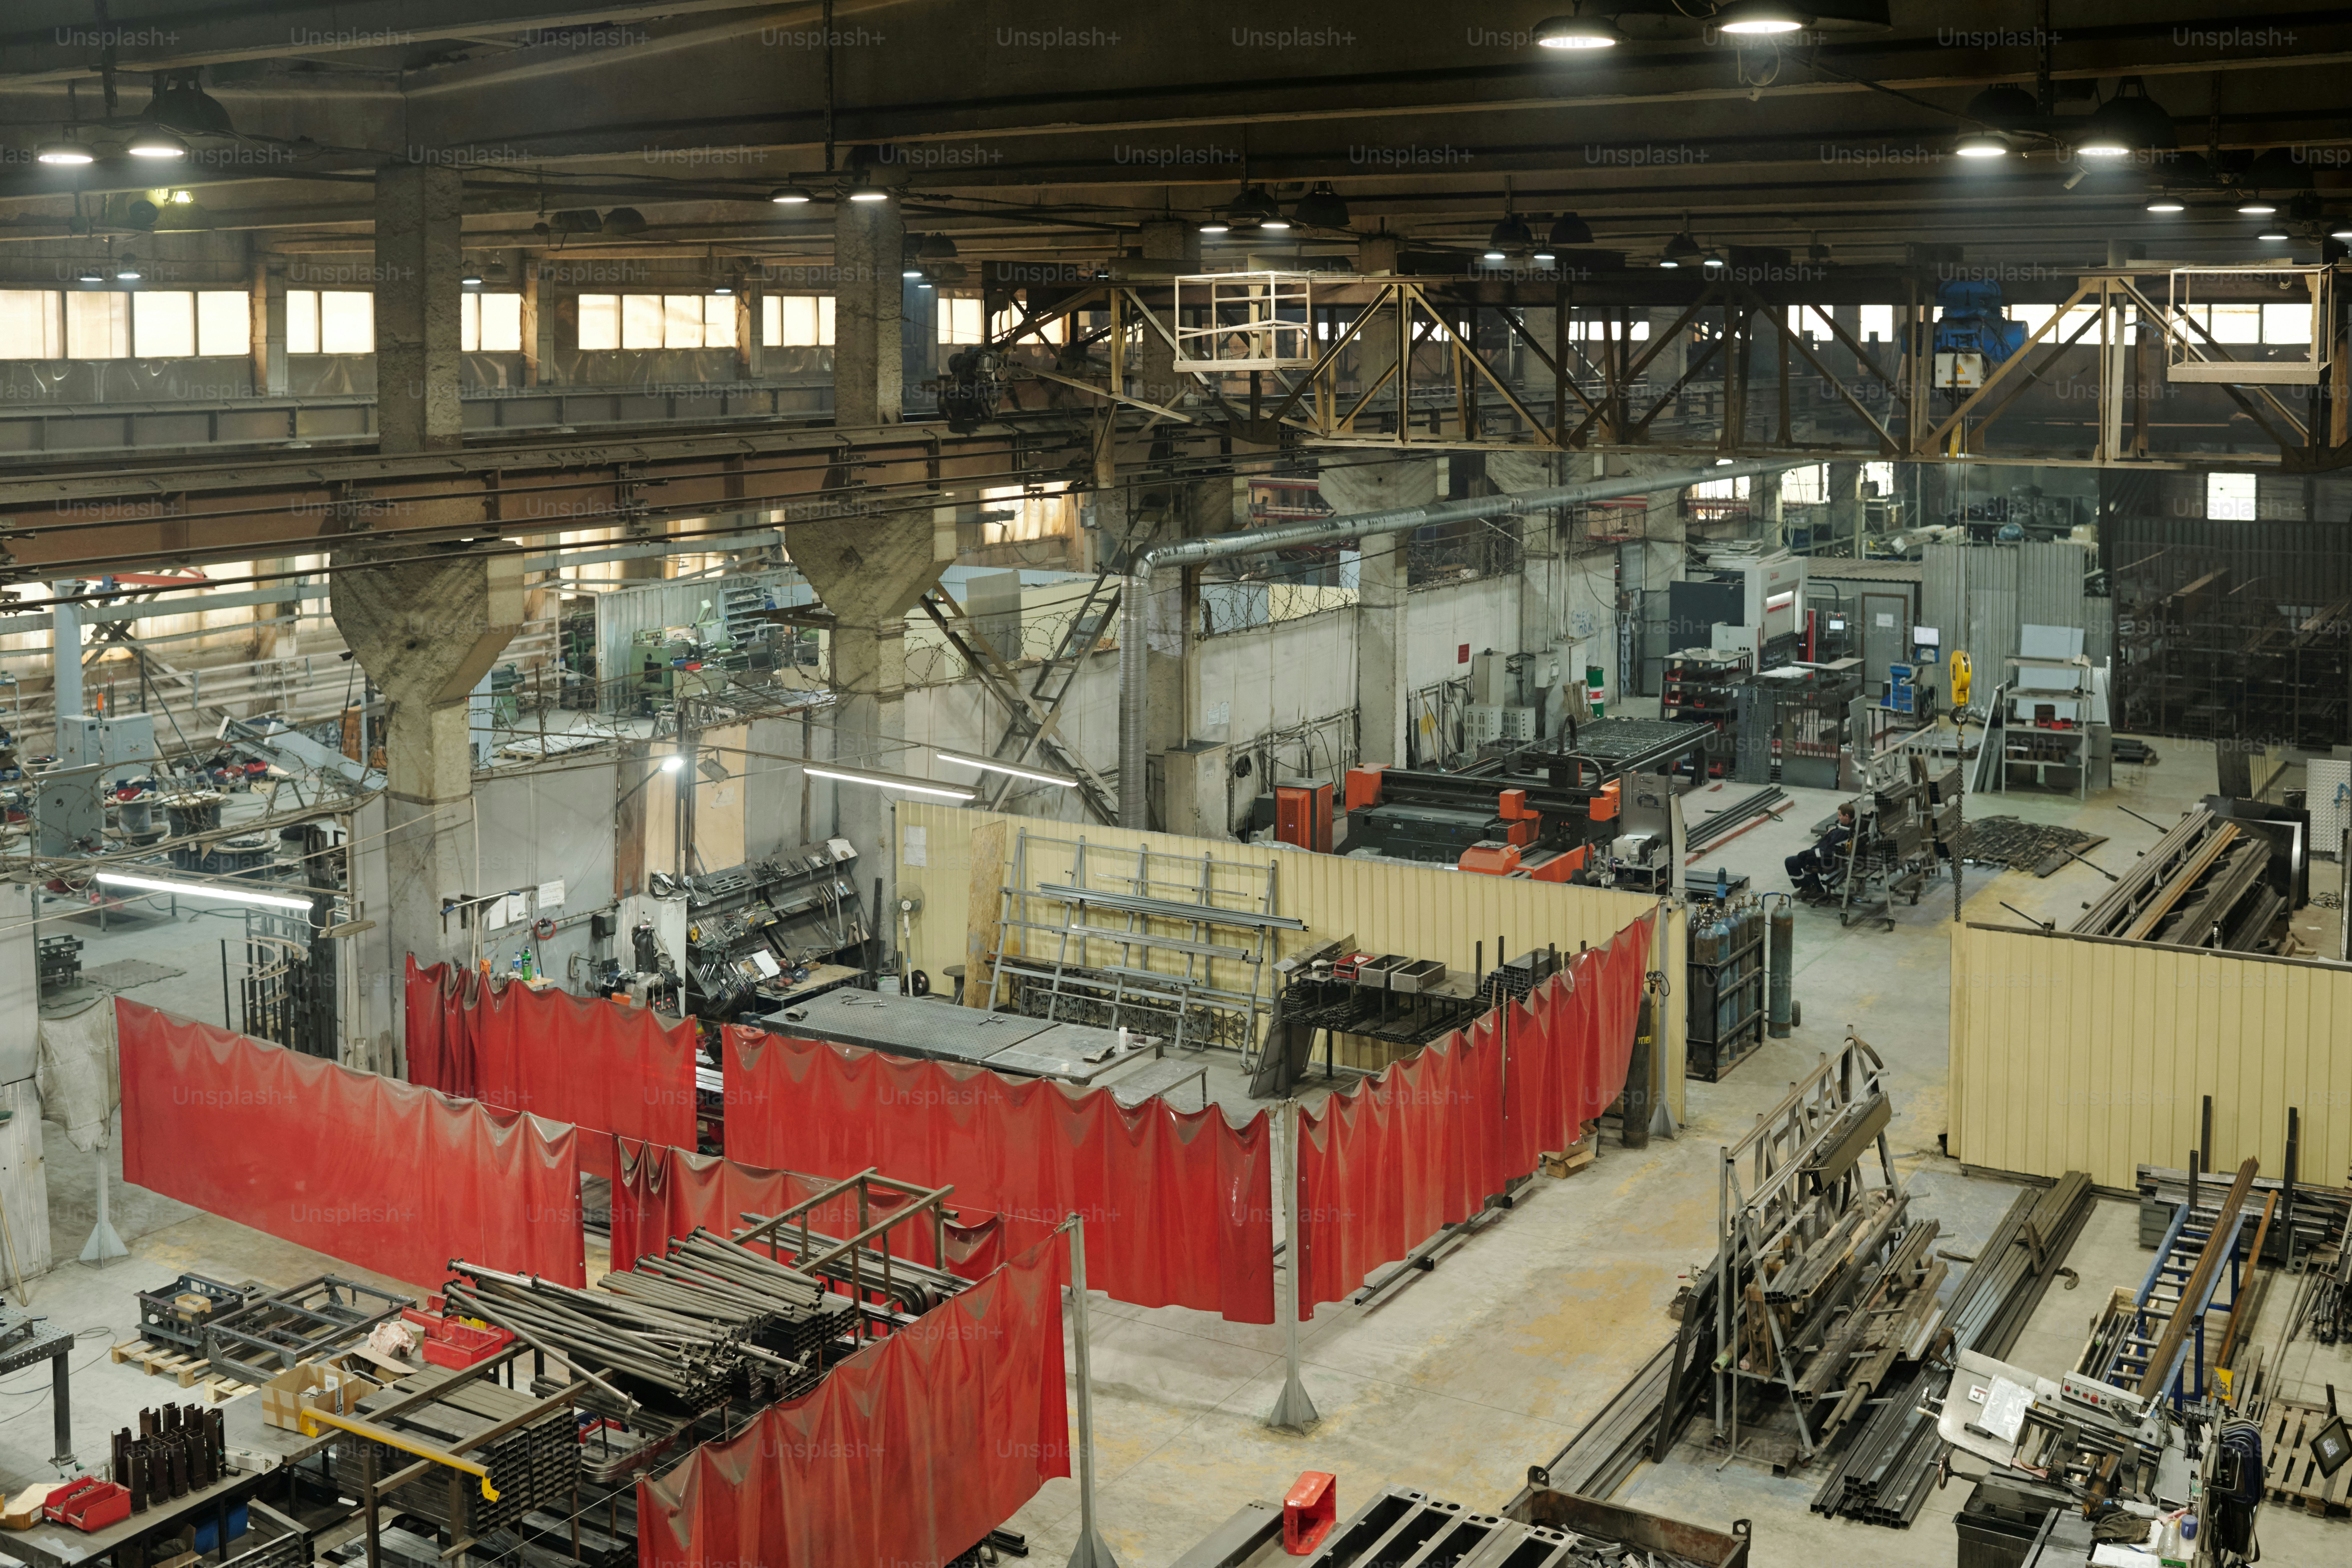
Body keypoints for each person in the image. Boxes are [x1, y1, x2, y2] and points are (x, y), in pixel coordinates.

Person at [1787, 804, 1857, 899]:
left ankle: (1807, 887)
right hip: (1835, 859)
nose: (1838, 818)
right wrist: (1836, 828)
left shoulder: (1843, 833)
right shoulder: (1850, 829)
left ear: (1847, 816)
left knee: (1791, 862)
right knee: (1806, 860)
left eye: (1840, 815)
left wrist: (1810, 853)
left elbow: (1829, 851)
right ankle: (1817, 888)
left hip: (1826, 860)